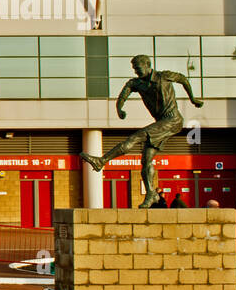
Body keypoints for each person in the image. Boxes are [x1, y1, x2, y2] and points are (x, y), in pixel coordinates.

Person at [81, 55, 203, 208]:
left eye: (137, 67)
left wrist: (193, 99)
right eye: (134, 68)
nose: (136, 71)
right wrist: (119, 108)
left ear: (147, 65)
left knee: (134, 138)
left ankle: (102, 161)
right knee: (146, 159)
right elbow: (123, 94)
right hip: (161, 123)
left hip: (172, 119)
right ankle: (151, 193)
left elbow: (183, 79)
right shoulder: (136, 83)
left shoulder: (164, 76)